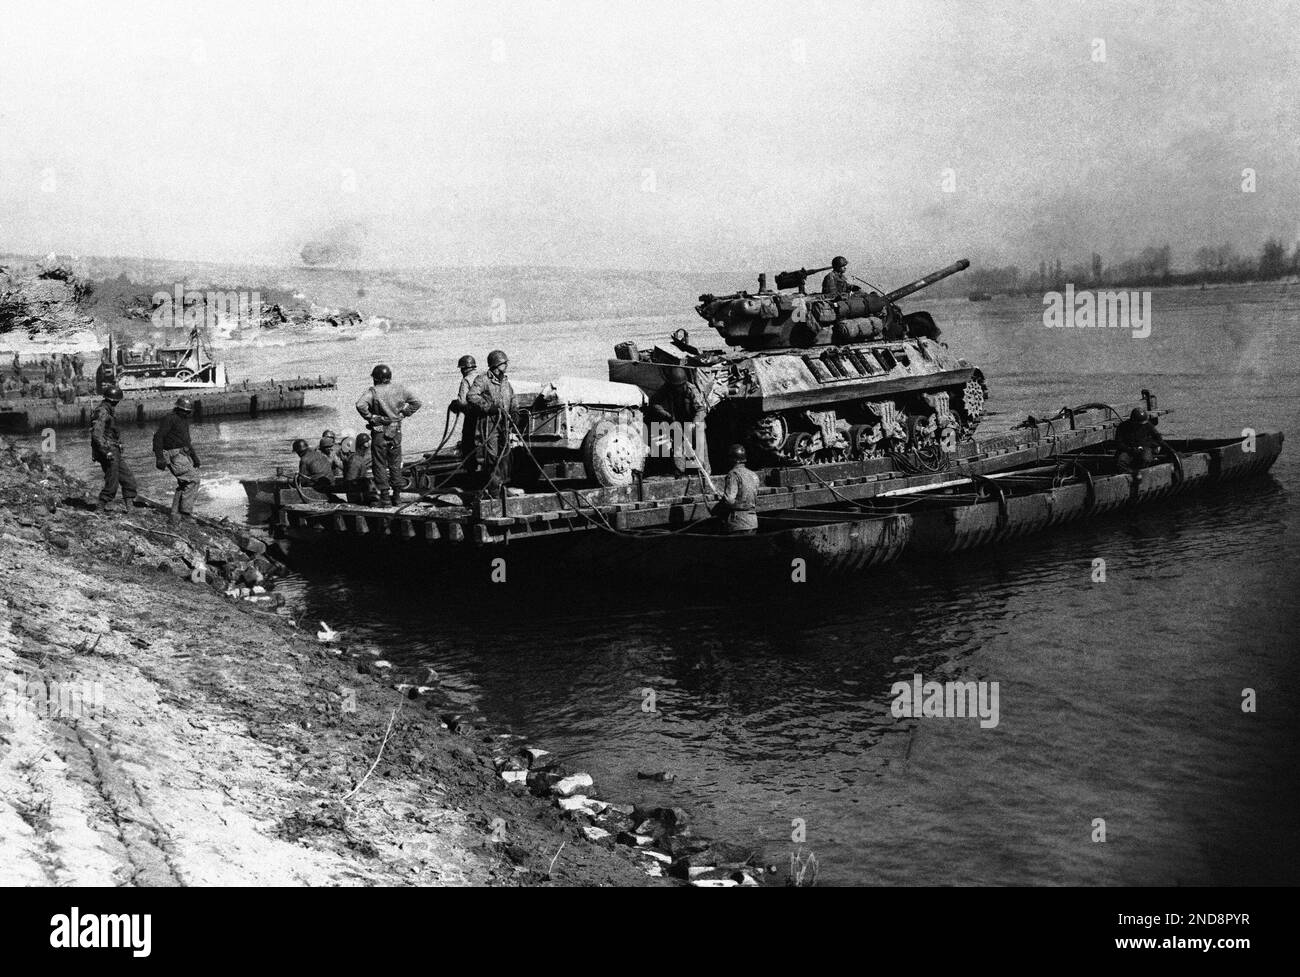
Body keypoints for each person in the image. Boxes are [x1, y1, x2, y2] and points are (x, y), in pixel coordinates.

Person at [355, 363, 422, 506]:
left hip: (379, 431)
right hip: (395, 430)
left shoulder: (373, 392)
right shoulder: (400, 389)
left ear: (376, 378)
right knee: (395, 464)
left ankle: (385, 499)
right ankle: (397, 498)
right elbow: (416, 402)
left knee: (379, 465)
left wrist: (371, 417)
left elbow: (360, 405)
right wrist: (403, 413)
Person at [466, 349, 516, 495]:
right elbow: (472, 396)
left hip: (504, 422)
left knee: (506, 454)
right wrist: (489, 407)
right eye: (504, 363)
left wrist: (515, 411)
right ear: (496, 364)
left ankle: (503, 485)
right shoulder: (483, 379)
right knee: (492, 455)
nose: (506, 365)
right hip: (490, 423)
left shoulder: (505, 380)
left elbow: (512, 397)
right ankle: (493, 487)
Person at [646, 366, 709, 474]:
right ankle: (679, 470)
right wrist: (668, 416)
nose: (677, 389)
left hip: (695, 423)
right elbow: (654, 403)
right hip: (679, 422)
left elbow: (702, 410)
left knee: (699, 444)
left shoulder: (691, 390)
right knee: (677, 443)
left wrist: (693, 424)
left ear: (684, 383)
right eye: (674, 386)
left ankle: (704, 471)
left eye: (679, 386)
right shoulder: (667, 388)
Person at [153, 396, 201, 526]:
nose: (186, 413)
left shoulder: (182, 420)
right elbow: (158, 437)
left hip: (183, 454)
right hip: (174, 454)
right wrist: (159, 457)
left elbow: (186, 441)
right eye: (184, 411)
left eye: (188, 411)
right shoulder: (170, 419)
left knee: (184, 483)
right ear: (178, 409)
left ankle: (175, 514)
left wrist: (194, 457)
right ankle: (185, 514)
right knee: (193, 479)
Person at [89, 384, 137, 511]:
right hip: (108, 451)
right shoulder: (102, 412)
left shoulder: (107, 411)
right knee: (112, 480)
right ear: (114, 401)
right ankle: (100, 507)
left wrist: (119, 443)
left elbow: (110, 432)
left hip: (113, 449)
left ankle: (130, 507)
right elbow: (96, 435)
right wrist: (105, 452)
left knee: (127, 478)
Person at [713, 444, 759, 534]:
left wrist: (717, 508)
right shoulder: (753, 475)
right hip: (753, 523)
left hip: (738, 524)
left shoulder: (733, 474)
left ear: (731, 459)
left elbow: (729, 500)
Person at [1114, 407, 1166, 474]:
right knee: (1120, 462)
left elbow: (1158, 437)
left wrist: (1156, 446)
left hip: (1144, 447)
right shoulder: (1123, 427)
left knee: (1146, 459)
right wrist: (1131, 449)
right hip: (1128, 450)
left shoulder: (1147, 425)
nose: (1140, 426)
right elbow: (1119, 443)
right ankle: (1131, 474)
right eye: (1138, 424)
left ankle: (1143, 474)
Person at [452, 354, 479, 470]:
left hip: (472, 417)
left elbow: (462, 401)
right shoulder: (483, 377)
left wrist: (455, 405)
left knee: (468, 444)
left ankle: (471, 471)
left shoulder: (466, 380)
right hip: (485, 418)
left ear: (464, 369)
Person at [343, 432, 377, 505]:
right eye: (367, 443)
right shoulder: (355, 459)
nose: (369, 446)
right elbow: (351, 480)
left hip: (360, 494)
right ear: (363, 445)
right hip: (356, 496)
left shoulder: (359, 457)